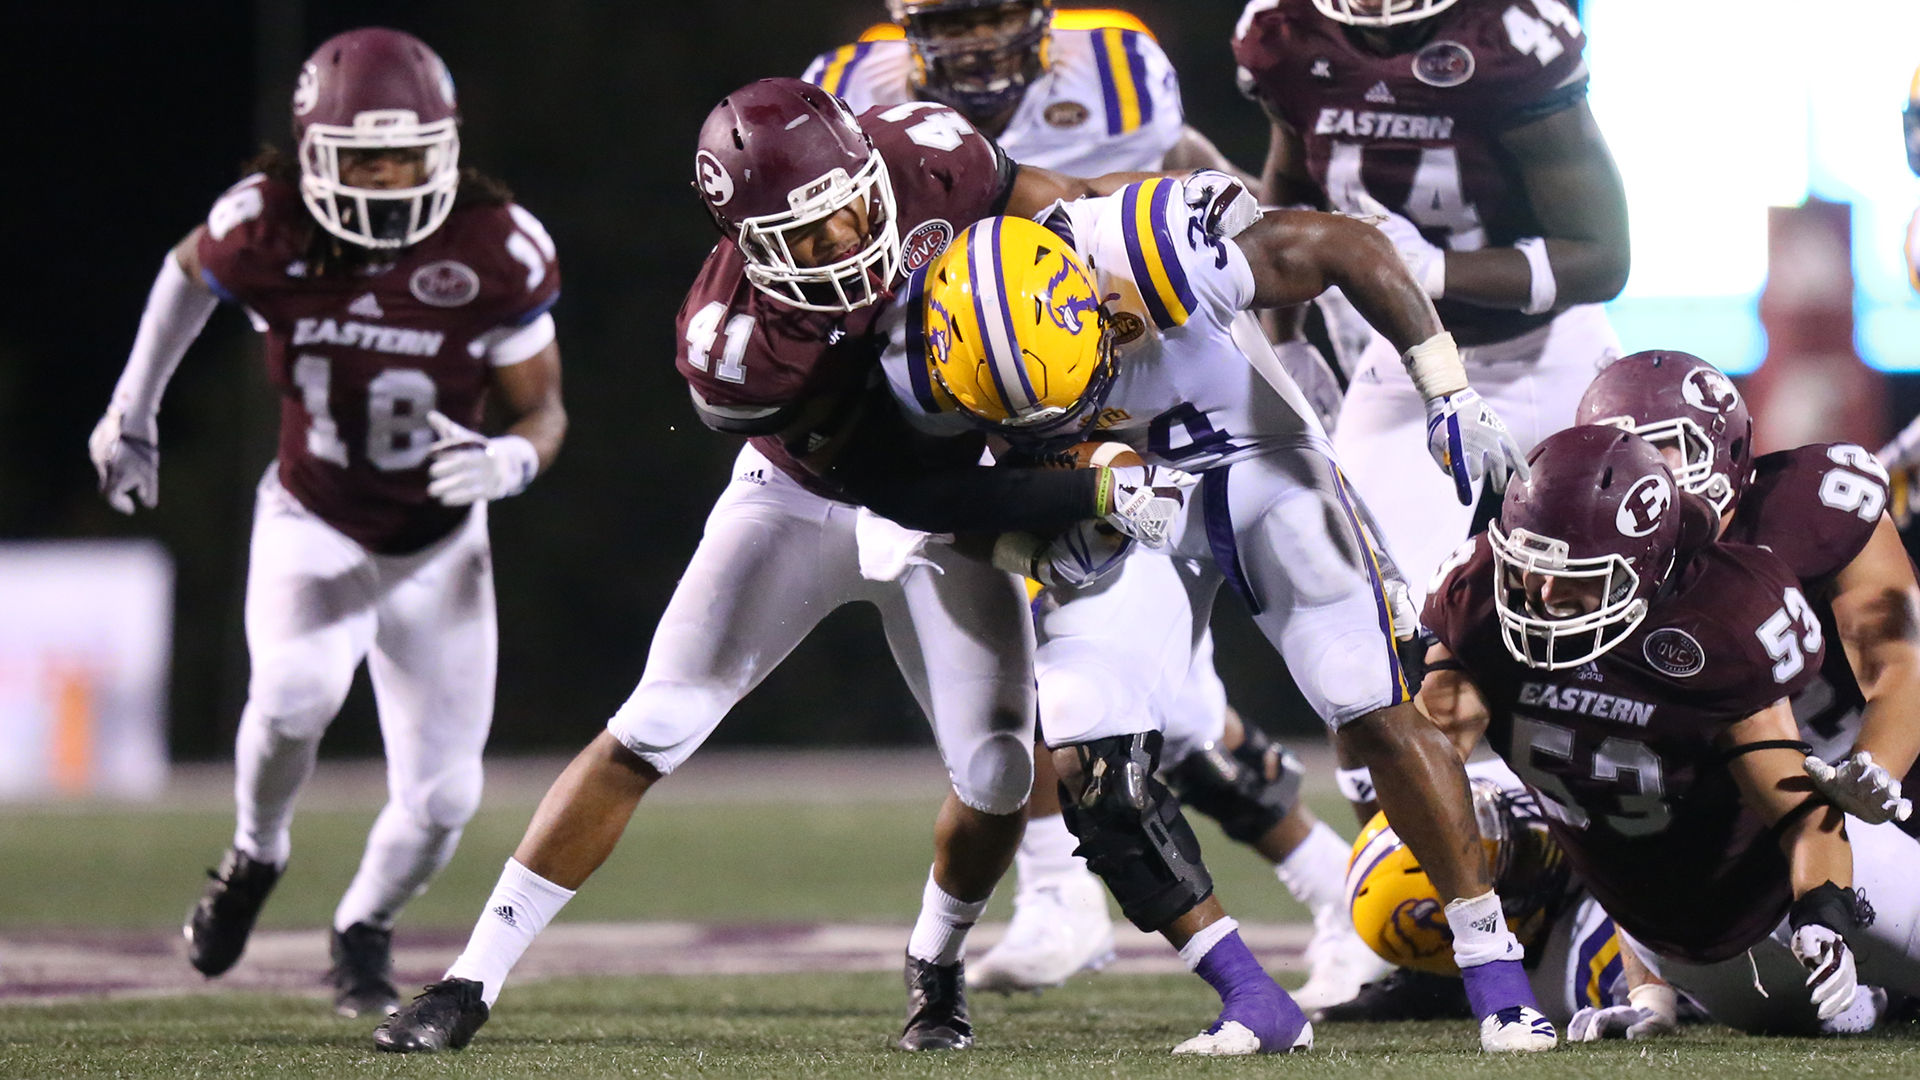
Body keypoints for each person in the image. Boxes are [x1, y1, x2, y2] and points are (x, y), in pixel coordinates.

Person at [372, 78, 1189, 1055]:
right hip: (814, 494)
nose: (843, 239)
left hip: (949, 485)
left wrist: (1127, 271)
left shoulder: (928, 154)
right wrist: (1087, 494)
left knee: (1000, 771)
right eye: (805, 236)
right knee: (657, 719)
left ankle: (935, 967)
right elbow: (914, 497)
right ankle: (469, 979)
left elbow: (1065, 212)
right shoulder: (735, 349)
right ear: (747, 244)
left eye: (849, 208)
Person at [888, 177, 1560, 1052]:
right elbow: (933, 506)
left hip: (1259, 458)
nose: (1062, 415)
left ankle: (1496, 975)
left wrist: (1445, 389)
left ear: (1090, 307)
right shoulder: (923, 365)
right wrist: (1033, 552)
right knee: (1089, 743)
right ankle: (1251, 997)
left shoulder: (1146, 251)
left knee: (1367, 692)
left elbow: (1347, 245)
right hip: (1116, 508)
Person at [805, 0, 1384, 1007]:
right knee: (1067, 686)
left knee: (1160, 708)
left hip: (1113, 387)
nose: (972, 41)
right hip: (961, 399)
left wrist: (1260, 299)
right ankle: (1077, 889)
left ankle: (1305, 891)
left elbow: (1187, 173)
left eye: (988, 15)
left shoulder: (1114, 62)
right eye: (947, 20)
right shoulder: (845, 90)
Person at [87, 28, 567, 1020]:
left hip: (441, 544)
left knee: (445, 801)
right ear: (314, 157)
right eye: (365, 160)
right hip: (315, 515)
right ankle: (255, 853)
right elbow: (185, 273)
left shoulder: (496, 246)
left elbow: (543, 410)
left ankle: (363, 926)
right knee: (296, 689)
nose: (387, 181)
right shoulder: (265, 222)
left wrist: (514, 459)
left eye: (405, 157)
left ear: (446, 151)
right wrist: (134, 406)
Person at [1421, 424, 1920, 1035]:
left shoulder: (1718, 619)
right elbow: (1607, 834)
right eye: (1529, 563)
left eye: (1576, 571)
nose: (1543, 593)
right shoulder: (1477, 603)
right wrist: (1649, 995)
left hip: (1802, 889)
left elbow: (1796, 810)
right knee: (1843, 1023)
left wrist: (1823, 909)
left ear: (1644, 569)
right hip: (1681, 951)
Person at [1575, 352, 1920, 834]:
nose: (1638, 478)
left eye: (1659, 450)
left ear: (1724, 448)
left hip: (1862, 775)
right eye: (1619, 459)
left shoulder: (1812, 507)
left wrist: (1876, 763)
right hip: (1699, 813)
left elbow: (1902, 663)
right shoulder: (1576, 554)